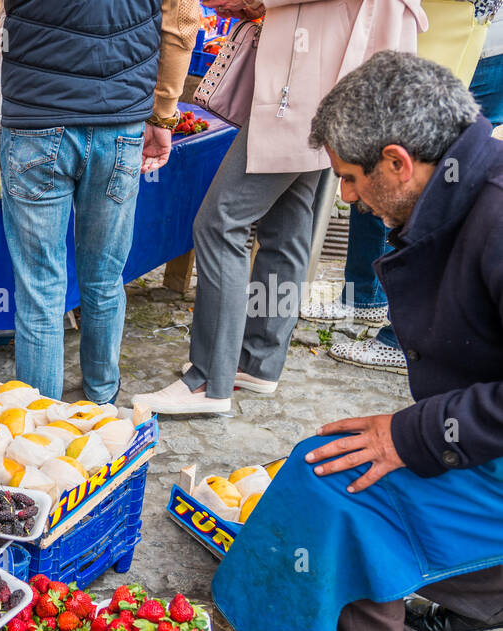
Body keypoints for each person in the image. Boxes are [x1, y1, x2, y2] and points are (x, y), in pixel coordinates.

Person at [210, 51, 503, 631]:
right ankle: (484, 590)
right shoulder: (471, 186)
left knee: (327, 480)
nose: (345, 196)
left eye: (348, 178)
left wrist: (413, 435)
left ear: (397, 162)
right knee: (361, 458)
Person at [134, 0, 425, 416]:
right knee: (287, 225)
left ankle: (208, 381)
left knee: (221, 223)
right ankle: (258, 361)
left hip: (306, 80)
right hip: (324, 71)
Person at [0, 0, 201, 405]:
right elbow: (182, 24)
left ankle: (40, 424)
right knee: (104, 276)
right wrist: (164, 111)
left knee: (40, 288)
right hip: (120, 119)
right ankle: (102, 401)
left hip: (36, 119)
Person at [318, 0, 499, 374]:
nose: (347, 197)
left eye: (347, 180)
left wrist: (405, 433)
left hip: (453, 33)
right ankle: (369, 299)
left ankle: (397, 334)